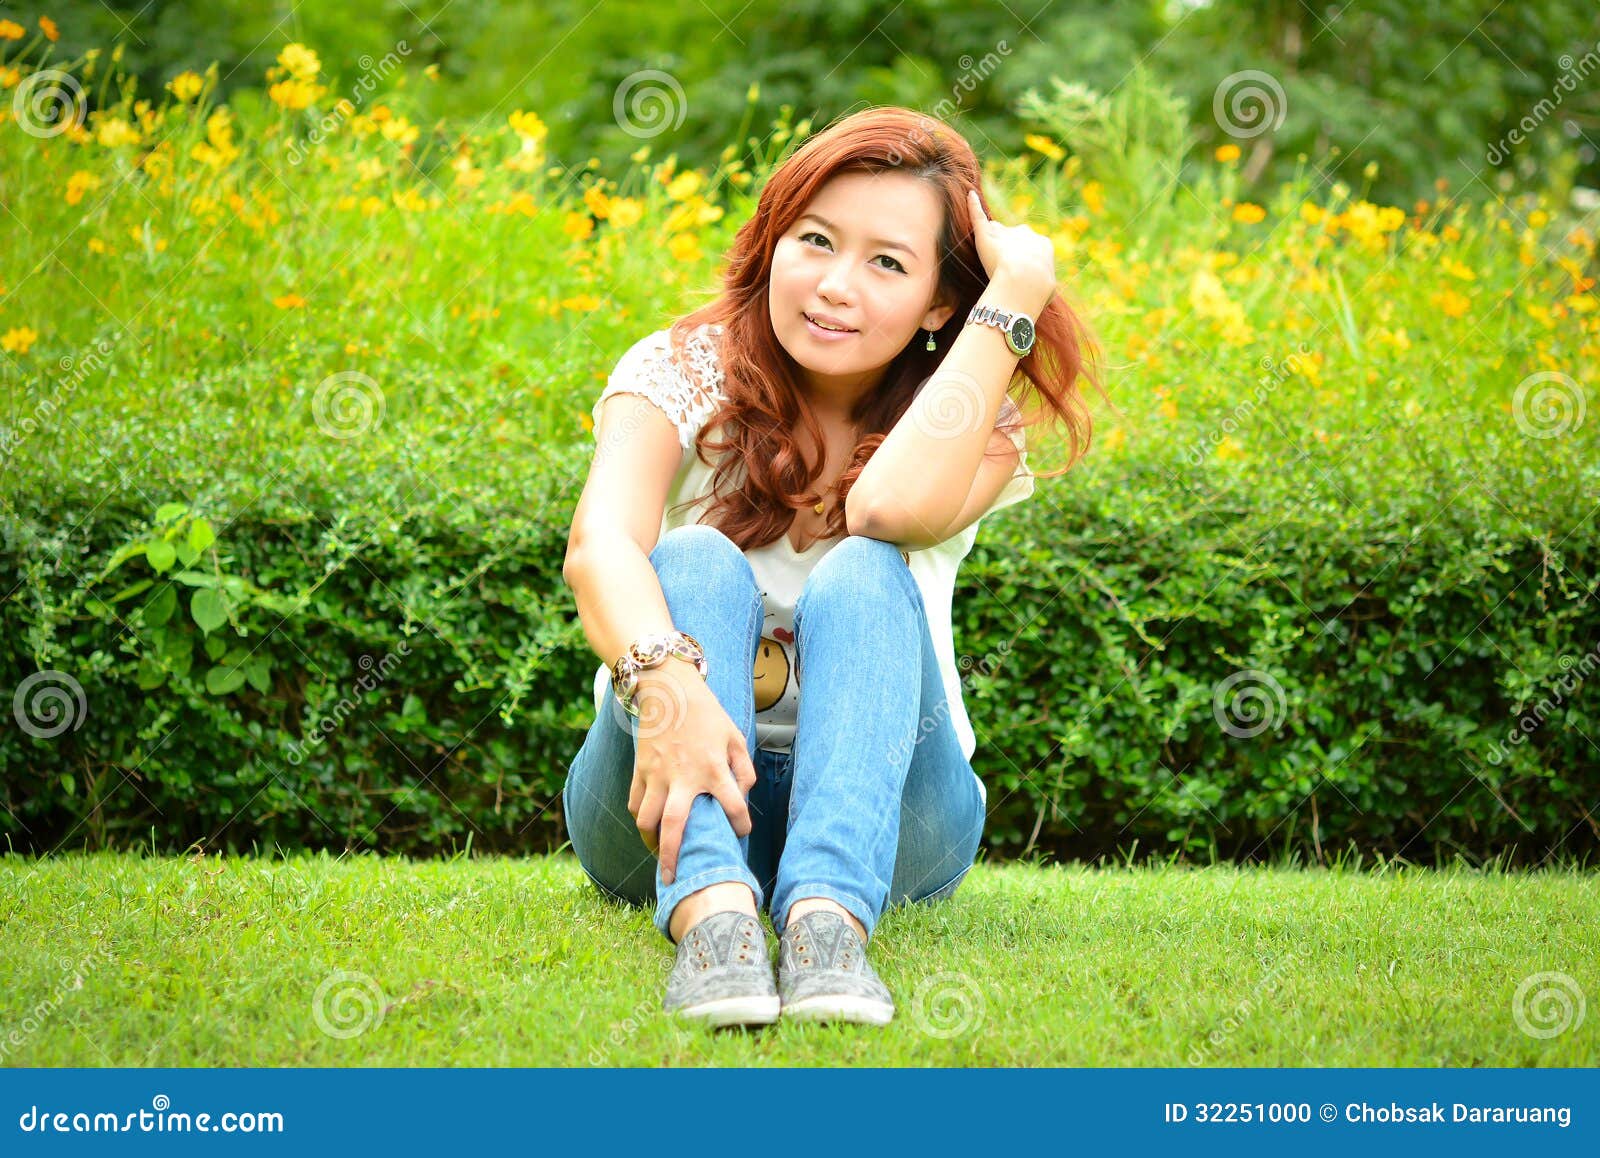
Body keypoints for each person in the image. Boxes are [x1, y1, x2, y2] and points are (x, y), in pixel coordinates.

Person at [561, 106, 1100, 1029]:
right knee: (690, 556)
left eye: (887, 262)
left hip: (896, 815)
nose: (834, 285)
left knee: (864, 568)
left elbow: (882, 512)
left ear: (942, 303)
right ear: (775, 241)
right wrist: (671, 685)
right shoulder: (682, 369)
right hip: (659, 791)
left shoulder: (970, 425)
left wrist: (1011, 299)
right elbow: (599, 548)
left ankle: (828, 922)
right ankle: (712, 917)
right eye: (814, 240)